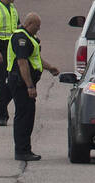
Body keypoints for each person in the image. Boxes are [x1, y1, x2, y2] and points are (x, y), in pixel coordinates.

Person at [6, 13, 59, 162]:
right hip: (20, 83)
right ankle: (21, 151)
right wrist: (29, 86)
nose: (39, 29)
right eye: (37, 26)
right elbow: (22, 63)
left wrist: (49, 67)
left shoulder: (29, 38)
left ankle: (25, 149)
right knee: (23, 117)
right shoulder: (20, 38)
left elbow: (35, 58)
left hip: (25, 82)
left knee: (28, 116)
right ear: (29, 24)